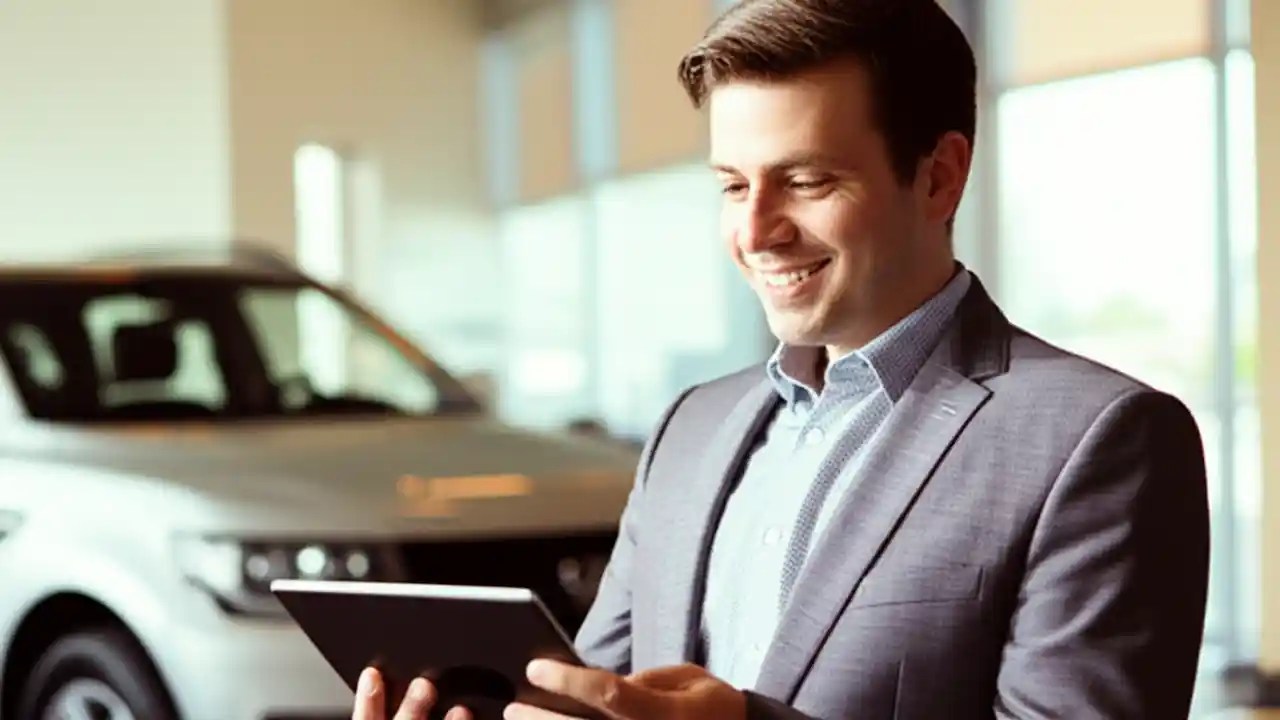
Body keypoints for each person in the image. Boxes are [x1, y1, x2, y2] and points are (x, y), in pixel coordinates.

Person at [355, 0, 1210, 718]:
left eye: (805, 181)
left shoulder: (1098, 439)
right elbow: (596, 700)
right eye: (733, 185)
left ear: (941, 176)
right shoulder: (692, 428)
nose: (756, 231)